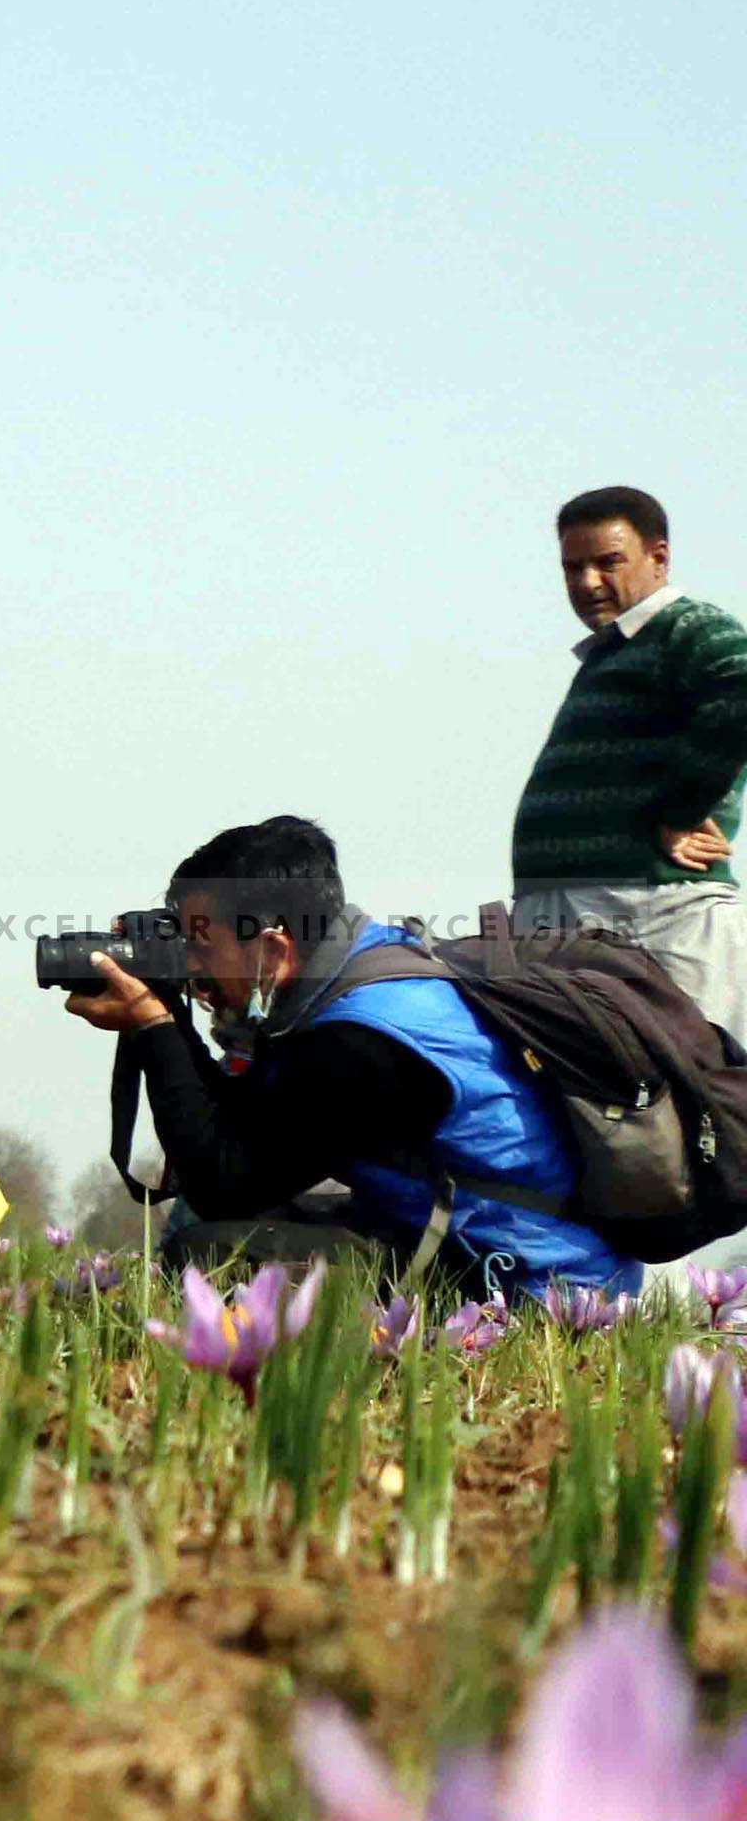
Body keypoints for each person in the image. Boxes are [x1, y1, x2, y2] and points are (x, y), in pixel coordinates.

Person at [64, 814, 639, 1301]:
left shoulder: (367, 1039)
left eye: (200, 942)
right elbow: (242, 1132)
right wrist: (165, 1013)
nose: (189, 963)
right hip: (456, 1235)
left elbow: (225, 1179)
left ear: (272, 946)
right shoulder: (360, 976)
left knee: (210, 1256)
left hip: (525, 1281)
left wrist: (155, 1025)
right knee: (224, 1232)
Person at [509, 485, 747, 1042]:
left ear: (658, 558)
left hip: (653, 913)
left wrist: (681, 809)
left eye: (607, 562)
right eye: (573, 567)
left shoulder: (684, 628)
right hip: (586, 916)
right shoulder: (618, 650)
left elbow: (741, 686)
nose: (588, 583)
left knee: (701, 1085)